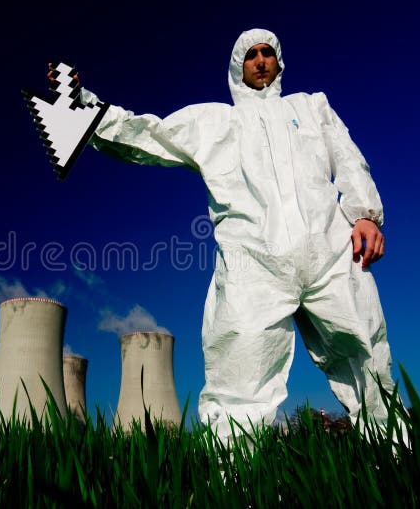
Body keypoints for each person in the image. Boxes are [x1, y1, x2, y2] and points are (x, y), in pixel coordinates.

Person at [70, 28, 399, 443]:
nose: (260, 60)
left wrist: (365, 214)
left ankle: (395, 461)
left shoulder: (312, 107)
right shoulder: (213, 122)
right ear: (237, 66)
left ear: (279, 63)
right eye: (250, 55)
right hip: (252, 263)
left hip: (331, 251)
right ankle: (237, 485)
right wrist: (84, 107)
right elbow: (147, 134)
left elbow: (349, 157)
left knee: (367, 358)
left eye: (267, 53)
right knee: (239, 377)